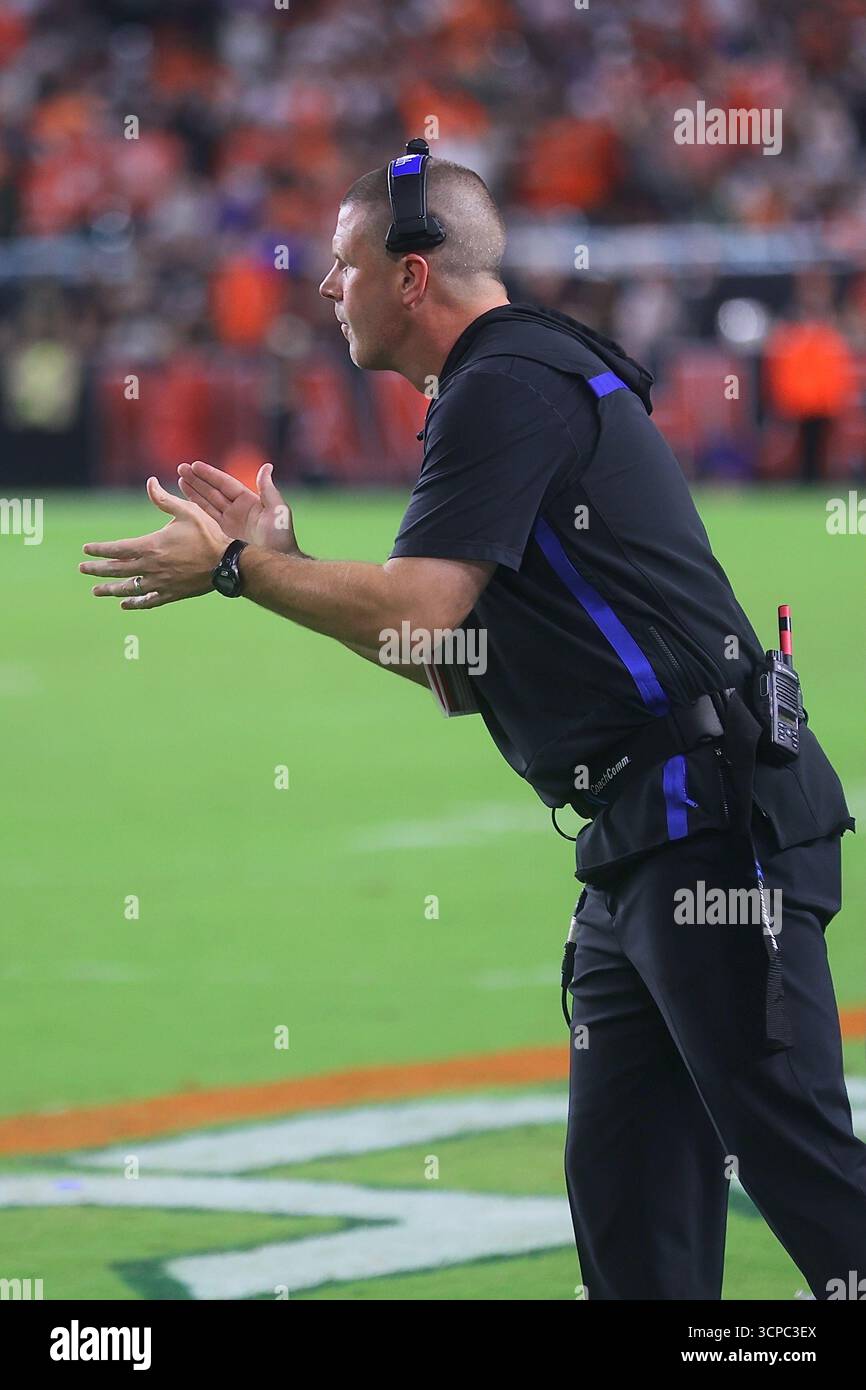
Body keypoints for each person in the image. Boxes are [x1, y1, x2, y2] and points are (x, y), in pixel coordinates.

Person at [79, 154, 865, 1300]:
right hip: (643, 837)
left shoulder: (504, 386)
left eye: (340, 266)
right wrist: (283, 569)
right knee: (633, 1219)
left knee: (809, 1184)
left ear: (408, 275)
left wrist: (246, 571)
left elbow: (418, 608)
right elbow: (447, 661)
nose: (323, 291)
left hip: (710, 822)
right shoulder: (496, 382)